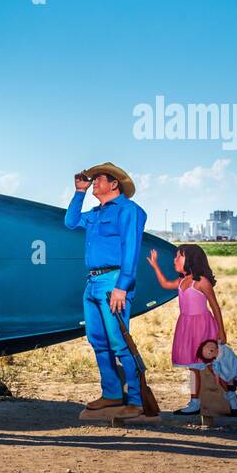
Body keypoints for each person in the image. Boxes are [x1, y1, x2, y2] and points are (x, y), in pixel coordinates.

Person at [64, 162, 148, 420]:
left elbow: (132, 249)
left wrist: (122, 287)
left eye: (98, 179)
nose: (93, 183)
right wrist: (79, 192)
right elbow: (71, 222)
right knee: (98, 341)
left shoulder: (129, 211)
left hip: (113, 281)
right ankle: (112, 393)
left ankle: (136, 399)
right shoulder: (95, 212)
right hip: (93, 282)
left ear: (114, 184)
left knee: (120, 342)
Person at [147, 244, 227, 414]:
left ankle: (229, 396)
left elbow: (215, 306)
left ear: (190, 259)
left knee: (210, 365)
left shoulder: (201, 282)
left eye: (179, 256)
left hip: (202, 326)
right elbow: (165, 284)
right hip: (187, 326)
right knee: (194, 366)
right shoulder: (182, 281)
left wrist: (221, 330)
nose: (175, 260)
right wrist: (155, 265)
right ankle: (195, 403)